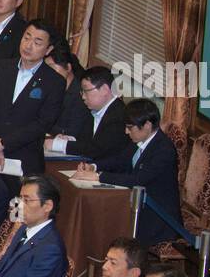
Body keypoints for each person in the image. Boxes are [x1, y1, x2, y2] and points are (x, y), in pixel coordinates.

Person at [76, 97, 183, 247]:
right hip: (134, 204)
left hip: (157, 217)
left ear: (147, 125)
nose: (126, 132)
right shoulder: (140, 140)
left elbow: (138, 180)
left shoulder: (163, 150)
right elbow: (120, 160)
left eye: (130, 127)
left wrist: (98, 177)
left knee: (106, 221)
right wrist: (94, 166)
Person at [0, 19, 66, 184]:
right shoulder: (2, 67)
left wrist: (3, 144)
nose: (29, 45)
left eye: (37, 42)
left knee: (18, 207)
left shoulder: (54, 82)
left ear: (48, 49)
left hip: (24, 158)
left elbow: (43, 123)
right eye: (27, 37)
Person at [50, 65, 126, 162]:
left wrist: (59, 145)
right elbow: (88, 141)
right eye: (81, 92)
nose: (83, 97)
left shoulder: (119, 115)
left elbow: (97, 149)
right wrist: (69, 140)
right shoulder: (95, 110)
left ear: (104, 89)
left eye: (86, 91)